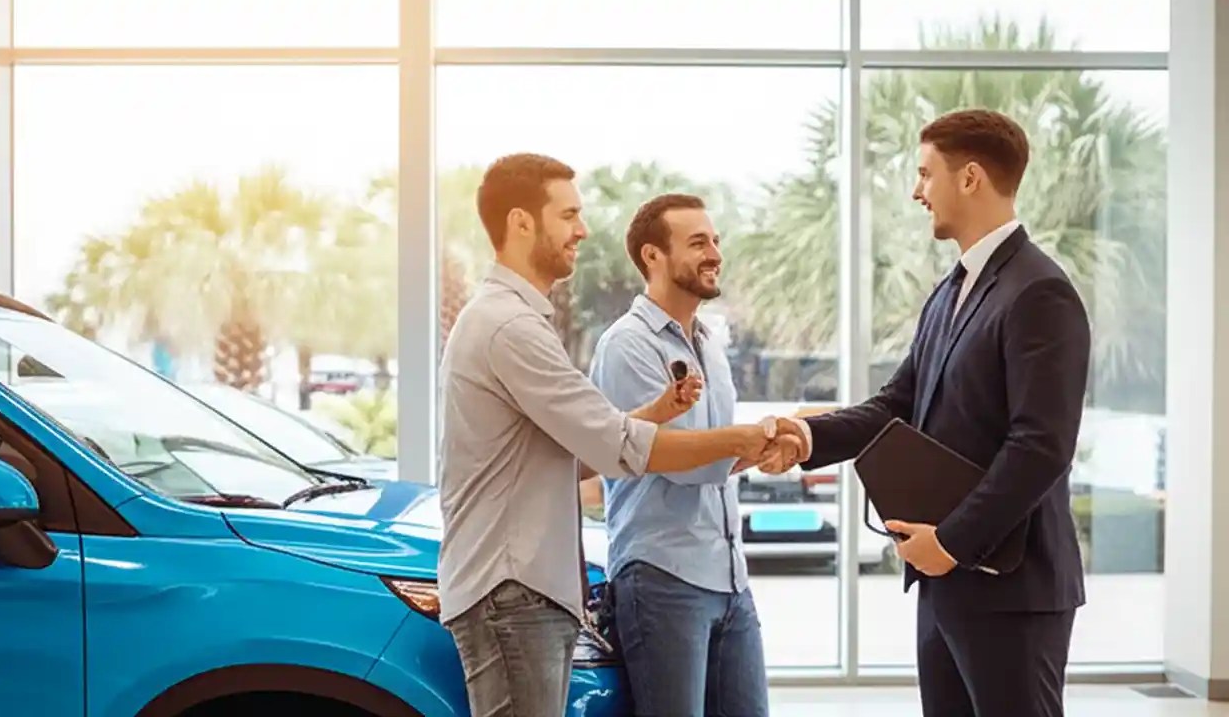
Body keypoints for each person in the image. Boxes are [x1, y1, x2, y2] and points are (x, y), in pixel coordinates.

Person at [771, 109, 1090, 717]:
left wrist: (953, 541)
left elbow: (1041, 445)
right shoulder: (950, 291)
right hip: (946, 581)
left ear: (969, 178)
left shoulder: (1039, 291)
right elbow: (898, 406)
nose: (917, 192)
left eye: (924, 175)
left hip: (1010, 585)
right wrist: (806, 437)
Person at [437, 153, 779, 717]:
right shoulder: (510, 326)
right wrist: (742, 440)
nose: (582, 229)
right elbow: (615, 447)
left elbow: (580, 452)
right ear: (522, 222)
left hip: (524, 590)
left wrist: (657, 413)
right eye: (568, 214)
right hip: (514, 589)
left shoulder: (515, 321)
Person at [585, 194, 803, 717]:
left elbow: (713, 460)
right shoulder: (626, 345)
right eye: (698, 242)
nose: (714, 254)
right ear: (652, 256)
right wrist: (746, 440)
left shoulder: (707, 344)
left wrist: (772, 448)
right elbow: (661, 454)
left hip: (729, 578)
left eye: (715, 241)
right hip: (663, 580)